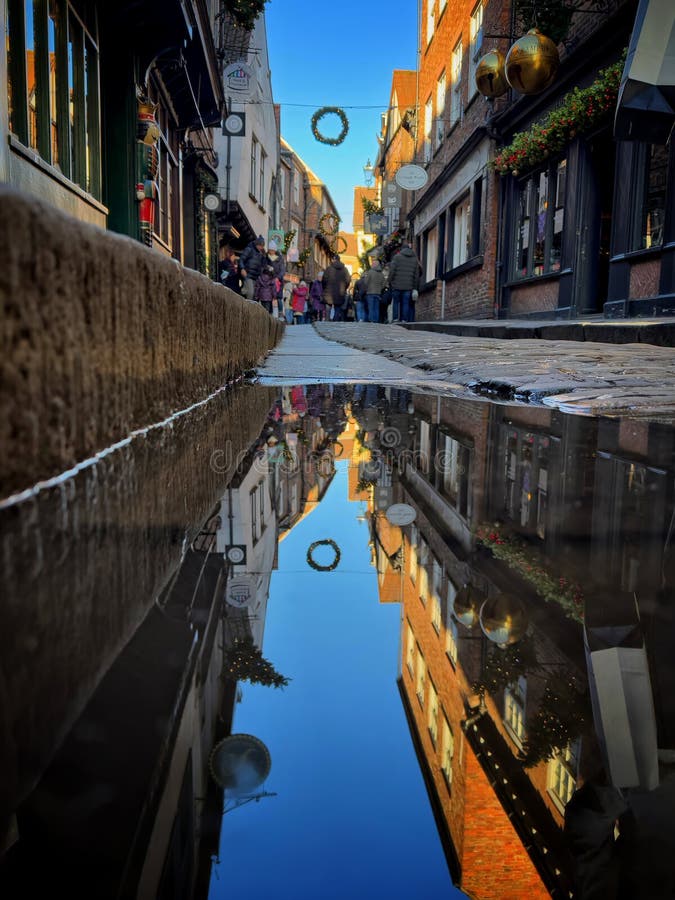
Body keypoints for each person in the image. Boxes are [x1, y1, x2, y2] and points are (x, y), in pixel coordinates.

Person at [388, 238, 421, 323]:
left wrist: (389, 281)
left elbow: (392, 271)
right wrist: (415, 287)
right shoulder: (414, 259)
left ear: (401, 249)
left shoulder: (396, 257)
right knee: (405, 302)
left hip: (396, 285)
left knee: (396, 302)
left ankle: (395, 318)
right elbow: (416, 275)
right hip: (408, 286)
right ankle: (404, 319)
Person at [322, 254, 350, 321]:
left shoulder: (328, 269)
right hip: (340, 293)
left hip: (329, 293)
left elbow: (324, 280)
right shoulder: (345, 270)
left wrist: (325, 288)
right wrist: (344, 288)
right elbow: (348, 280)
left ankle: (327, 322)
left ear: (333, 260)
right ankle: (335, 322)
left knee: (328, 308)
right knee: (337, 309)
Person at [239, 235, 266, 300]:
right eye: (260, 246)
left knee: (252, 293)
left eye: (262, 246)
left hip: (255, 276)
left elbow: (262, 265)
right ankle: (247, 307)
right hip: (247, 274)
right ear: (257, 244)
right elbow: (241, 259)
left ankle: (241, 295)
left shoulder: (261, 254)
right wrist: (242, 268)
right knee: (250, 293)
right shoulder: (249, 249)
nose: (261, 248)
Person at [362, 259, 385, 324]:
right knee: (376, 308)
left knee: (371, 307)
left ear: (374, 265)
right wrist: (380, 288)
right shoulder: (381, 273)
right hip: (378, 293)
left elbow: (366, 282)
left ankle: (372, 320)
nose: (371, 264)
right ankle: (376, 320)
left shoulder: (370, 272)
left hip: (370, 292)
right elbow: (384, 283)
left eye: (373, 263)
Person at [266, 241, 286, 315]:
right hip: (269, 280)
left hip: (278, 281)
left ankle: (280, 312)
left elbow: (283, 270)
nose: (271, 251)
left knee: (278, 297)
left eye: (272, 250)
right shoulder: (266, 257)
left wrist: (278, 277)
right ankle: (270, 312)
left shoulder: (280, 259)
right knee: (269, 296)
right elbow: (263, 267)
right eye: (270, 250)